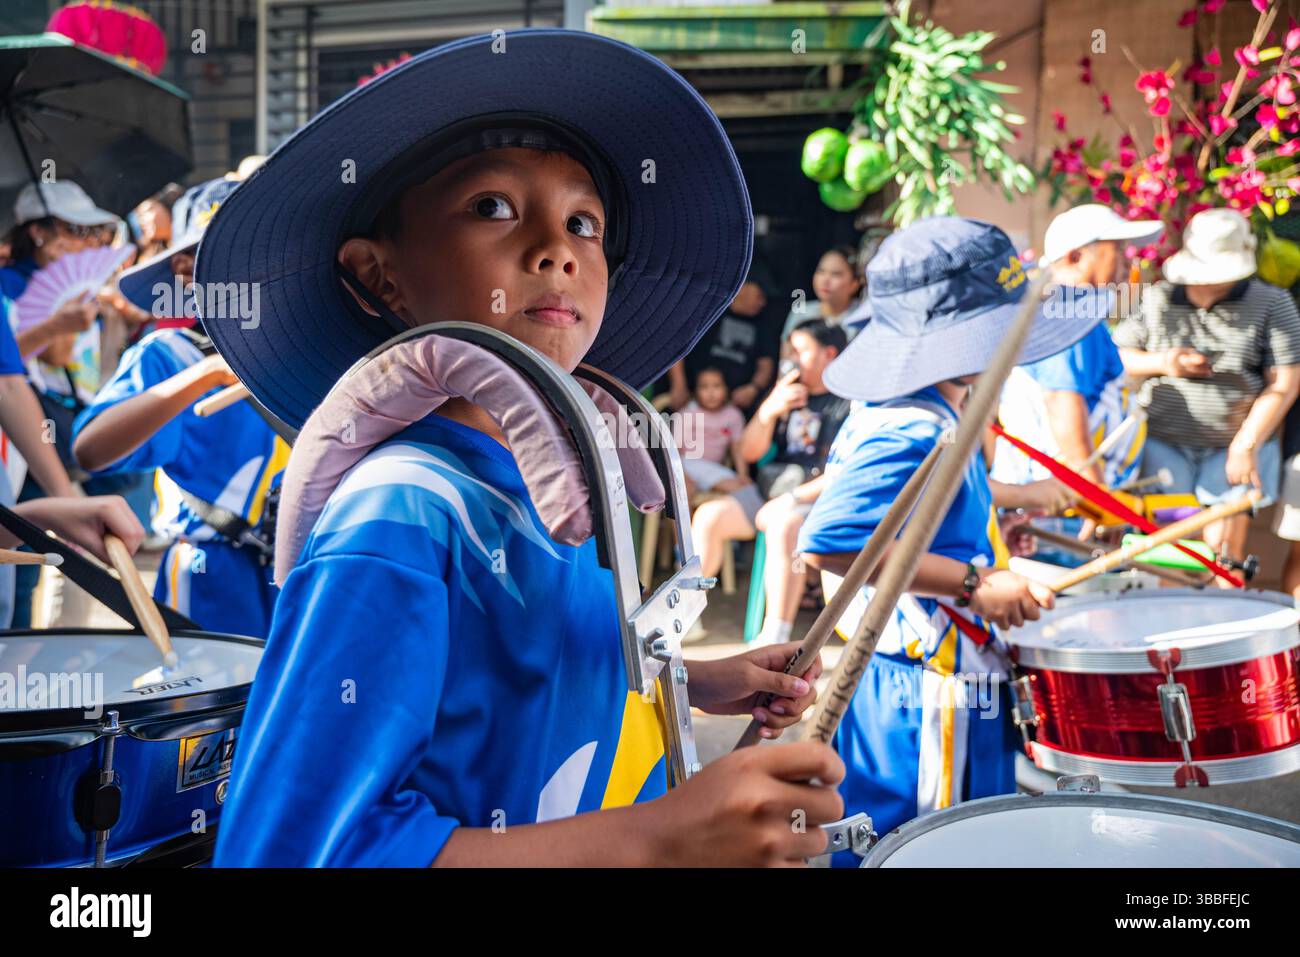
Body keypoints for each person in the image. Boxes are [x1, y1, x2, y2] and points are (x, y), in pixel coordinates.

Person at [198, 30, 844, 867]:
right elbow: (295, 850)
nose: (557, 249)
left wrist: (704, 679)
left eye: (585, 221)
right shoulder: (400, 516)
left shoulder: (569, 490)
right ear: (379, 274)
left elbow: (534, 680)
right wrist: (662, 837)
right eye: (494, 207)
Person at [796, 218, 1089, 864]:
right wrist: (974, 583)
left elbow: (916, 521)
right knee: (925, 850)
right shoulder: (914, 425)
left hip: (930, 683)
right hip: (924, 694)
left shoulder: (923, 406)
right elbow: (833, 541)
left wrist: (985, 541)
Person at [72, 178, 286, 639]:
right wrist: (205, 375)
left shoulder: (308, 353)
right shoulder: (169, 355)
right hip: (211, 572)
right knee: (207, 705)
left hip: (307, 571)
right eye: (233, 249)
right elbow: (90, 450)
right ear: (186, 268)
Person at [1114, 209, 1300, 572]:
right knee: (1169, 552)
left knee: (1224, 555)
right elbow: (1120, 357)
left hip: (1234, 448)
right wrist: (1166, 363)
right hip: (1164, 444)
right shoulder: (1157, 298)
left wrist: (1246, 445)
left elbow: (1285, 382)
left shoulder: (1273, 303)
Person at [993, 205, 1161, 544]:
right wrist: (1099, 499)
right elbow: (1061, 402)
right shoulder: (1068, 312)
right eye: (1116, 252)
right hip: (1063, 512)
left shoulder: (1064, 308)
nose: (1128, 263)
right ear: (1075, 257)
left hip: (1059, 507)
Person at [692, 319, 849, 646]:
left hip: (813, 500)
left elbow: (844, 473)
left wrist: (790, 500)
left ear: (829, 354)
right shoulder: (787, 393)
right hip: (768, 492)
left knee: (783, 526)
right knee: (709, 517)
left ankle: (774, 635)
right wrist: (769, 409)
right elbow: (750, 451)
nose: (790, 357)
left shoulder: (848, 402)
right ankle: (684, 615)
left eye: (800, 350)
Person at [666, 277, 778, 414]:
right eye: (759, 296)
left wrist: (753, 388)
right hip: (692, 401)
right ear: (744, 288)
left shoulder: (762, 325)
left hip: (734, 410)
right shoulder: (711, 310)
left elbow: (766, 364)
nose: (763, 303)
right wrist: (678, 384)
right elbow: (677, 344)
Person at [678, 367, 748, 496]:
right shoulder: (688, 413)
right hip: (686, 465)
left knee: (746, 489)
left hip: (713, 468)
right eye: (704, 387)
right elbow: (675, 451)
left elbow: (737, 448)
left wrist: (743, 475)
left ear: (726, 389)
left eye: (717, 386)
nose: (711, 393)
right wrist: (683, 476)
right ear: (696, 390)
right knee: (685, 491)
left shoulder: (733, 415)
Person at [781, 245, 866, 340]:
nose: (825, 280)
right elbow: (787, 354)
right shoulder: (800, 312)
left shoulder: (863, 315)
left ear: (855, 283)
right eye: (821, 271)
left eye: (836, 274)